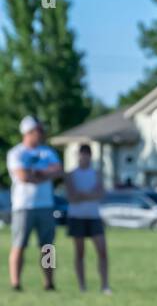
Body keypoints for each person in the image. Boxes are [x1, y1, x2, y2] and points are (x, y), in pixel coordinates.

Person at [7, 116, 61, 292]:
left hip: (45, 206)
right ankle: (16, 283)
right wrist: (42, 174)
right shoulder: (16, 153)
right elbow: (22, 176)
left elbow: (57, 170)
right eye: (38, 130)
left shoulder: (48, 152)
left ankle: (49, 282)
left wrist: (35, 174)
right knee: (19, 244)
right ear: (28, 132)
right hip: (23, 206)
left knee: (47, 248)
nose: (41, 134)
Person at [64, 144, 110, 294]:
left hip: (94, 217)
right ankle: (82, 286)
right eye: (81, 154)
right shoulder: (71, 174)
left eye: (86, 154)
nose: (83, 157)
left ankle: (105, 286)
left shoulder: (96, 173)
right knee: (80, 253)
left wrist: (83, 194)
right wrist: (89, 194)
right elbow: (72, 197)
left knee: (102, 251)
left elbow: (100, 193)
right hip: (77, 217)